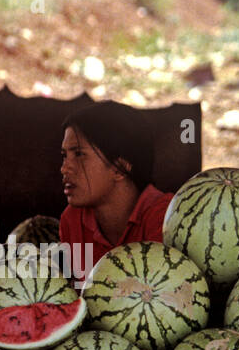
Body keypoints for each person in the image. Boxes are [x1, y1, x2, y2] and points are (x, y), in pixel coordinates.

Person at [57, 101, 174, 283]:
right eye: (65, 156)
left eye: (79, 154)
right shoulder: (71, 221)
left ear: (119, 168)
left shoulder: (167, 218)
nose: (64, 169)